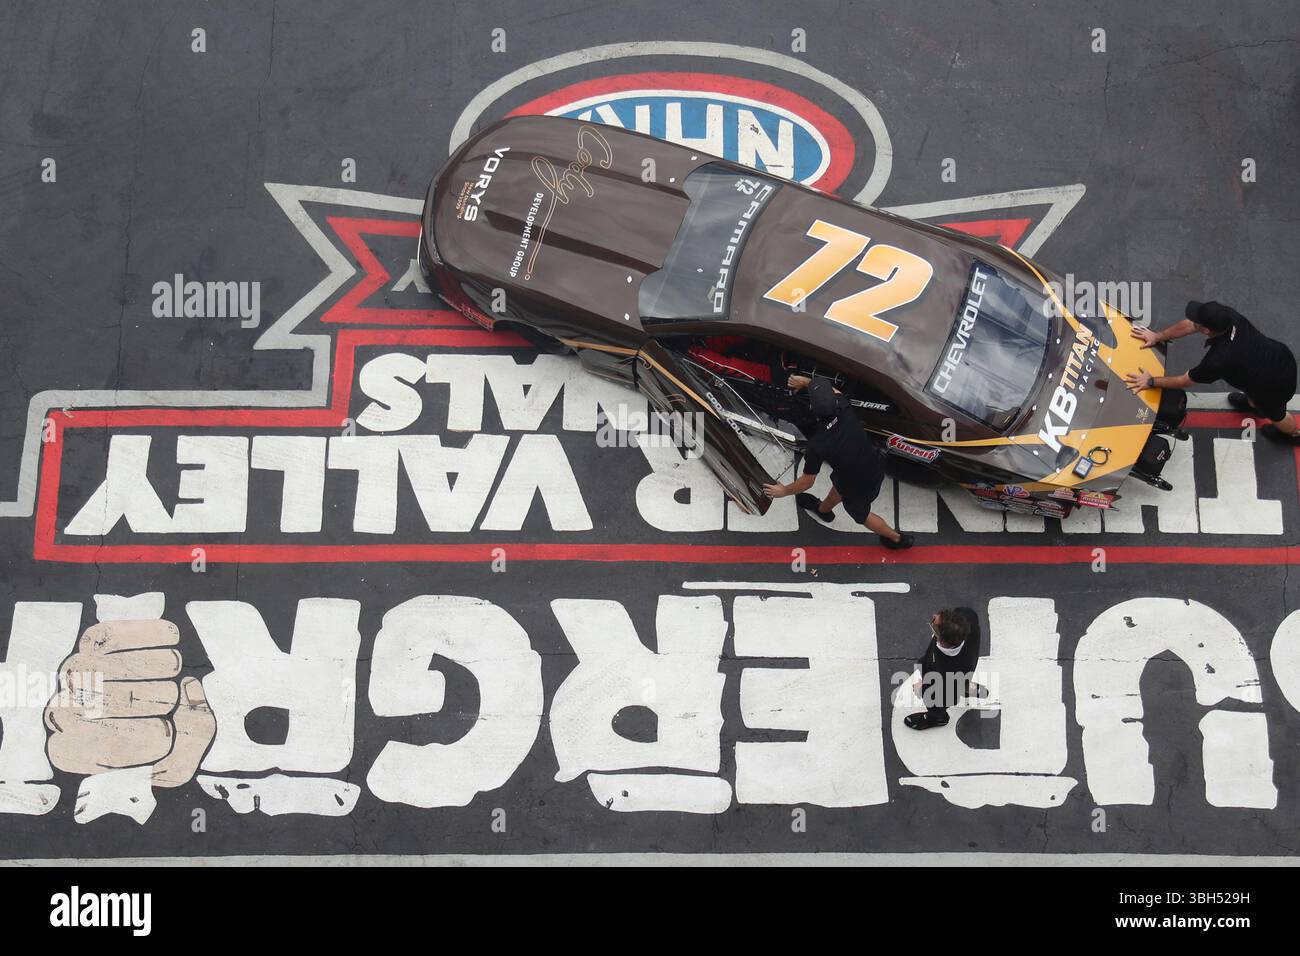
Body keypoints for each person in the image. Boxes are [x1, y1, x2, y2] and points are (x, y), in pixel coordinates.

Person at [761, 376, 914, 549]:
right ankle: (823, 510)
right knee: (839, 488)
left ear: (812, 409)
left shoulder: (818, 445)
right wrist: (805, 382)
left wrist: (784, 491)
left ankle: (896, 538)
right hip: (871, 465)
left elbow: (807, 482)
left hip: (858, 485)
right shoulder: (843, 406)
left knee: (860, 514)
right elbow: (834, 391)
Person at [1125, 300, 1298, 444]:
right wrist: (1158, 336)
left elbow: (1184, 381)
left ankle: (1293, 435)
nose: (1193, 321)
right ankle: (1253, 404)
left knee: (1277, 414)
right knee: (1254, 396)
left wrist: (1150, 381)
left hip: (1275, 384)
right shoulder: (1229, 316)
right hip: (1279, 356)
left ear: (1207, 330)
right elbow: (1189, 325)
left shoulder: (1218, 360)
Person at [905, 607, 981, 730]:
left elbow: (944, 694)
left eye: (935, 622)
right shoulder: (966, 616)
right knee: (964, 677)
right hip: (964, 669)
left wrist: (923, 684)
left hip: (945, 681)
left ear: (942, 639)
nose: (934, 616)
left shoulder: (948, 670)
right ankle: (965, 685)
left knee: (934, 698)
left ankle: (937, 718)